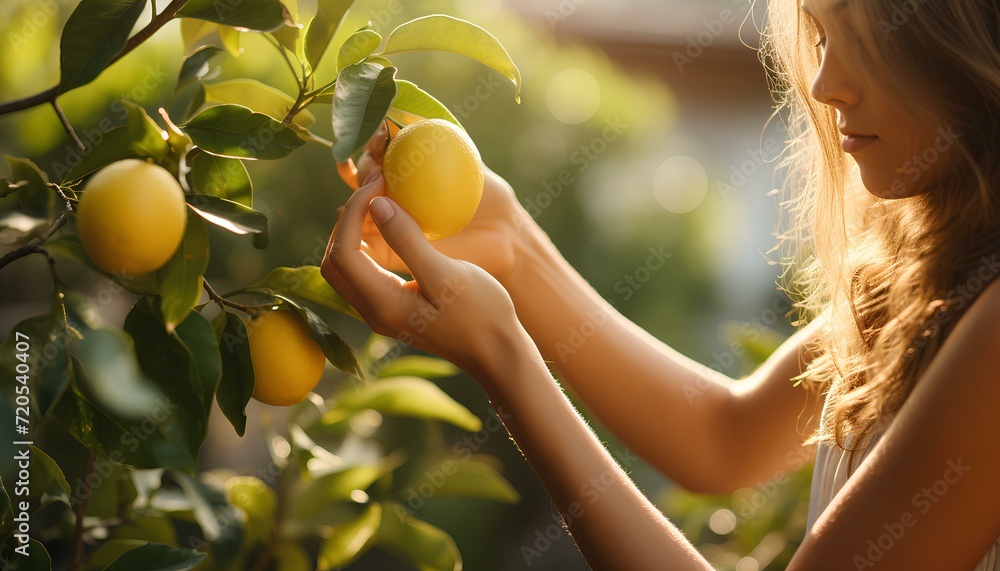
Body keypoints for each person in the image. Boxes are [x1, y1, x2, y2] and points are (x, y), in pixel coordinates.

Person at [321, 0, 1000, 568]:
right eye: (822, 36)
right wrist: (513, 247)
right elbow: (724, 436)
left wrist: (502, 355)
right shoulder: (925, 269)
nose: (825, 84)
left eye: (867, 36)